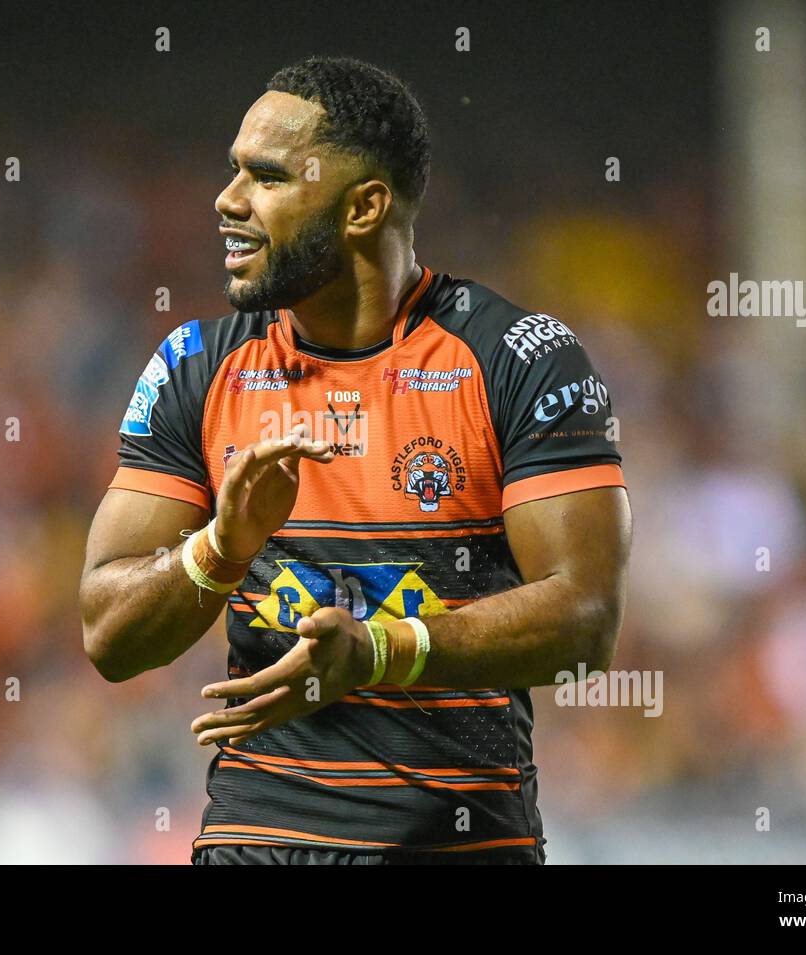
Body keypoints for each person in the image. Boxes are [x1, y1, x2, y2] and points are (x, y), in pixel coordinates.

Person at [80, 55, 632, 864]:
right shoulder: (196, 366)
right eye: (233, 172)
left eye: (265, 177)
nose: (226, 202)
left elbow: (588, 620)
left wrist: (380, 648)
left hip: (461, 843)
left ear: (364, 206)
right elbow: (108, 636)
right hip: (258, 838)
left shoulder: (519, 359)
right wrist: (220, 547)